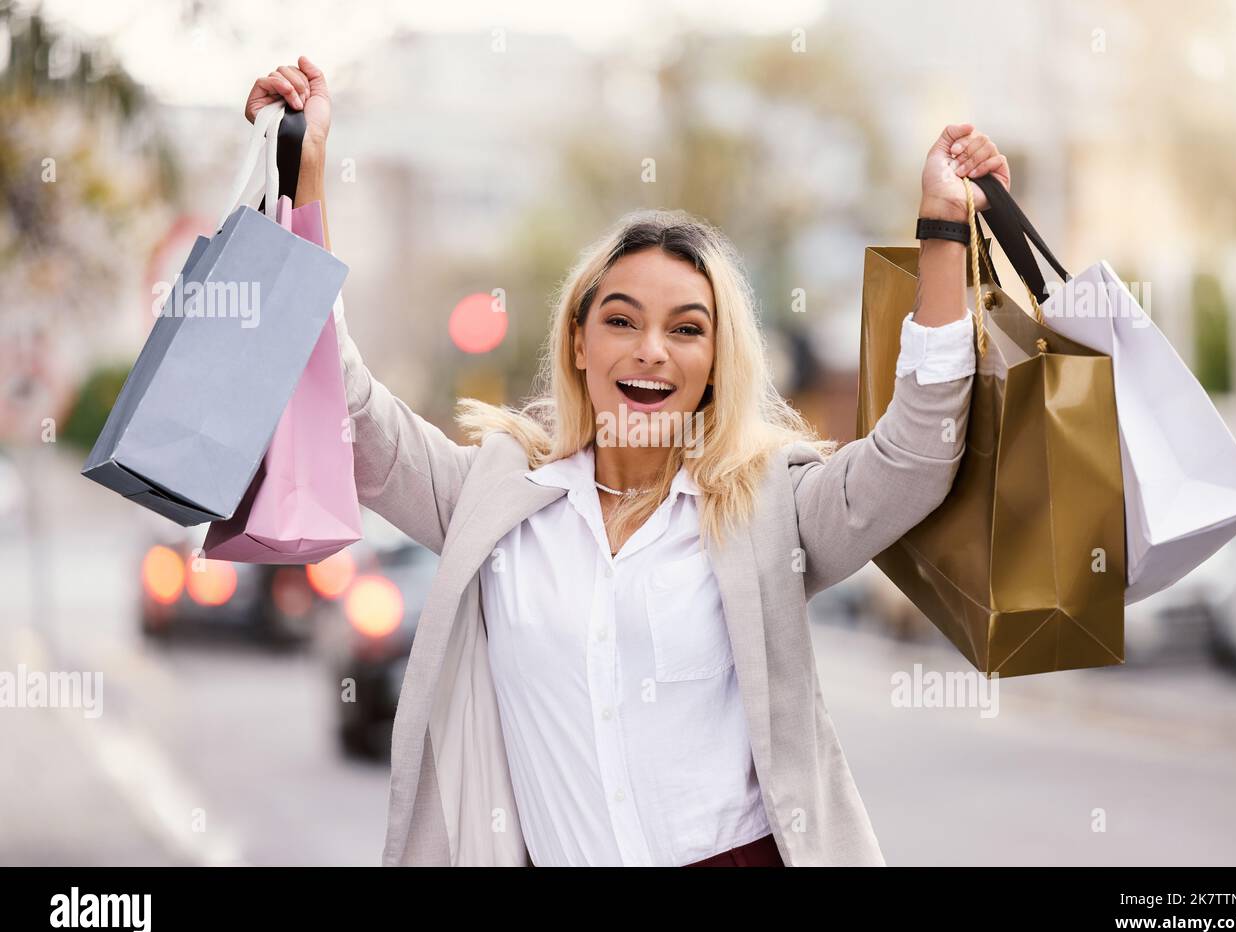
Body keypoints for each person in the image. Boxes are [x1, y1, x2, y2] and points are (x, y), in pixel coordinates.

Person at [245, 57, 1007, 867]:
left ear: (716, 360)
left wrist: (943, 228)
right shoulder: (496, 499)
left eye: (686, 328)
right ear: (578, 342)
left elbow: (918, 454)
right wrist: (301, 167)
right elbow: (349, 412)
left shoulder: (769, 508)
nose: (651, 351)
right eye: (621, 320)